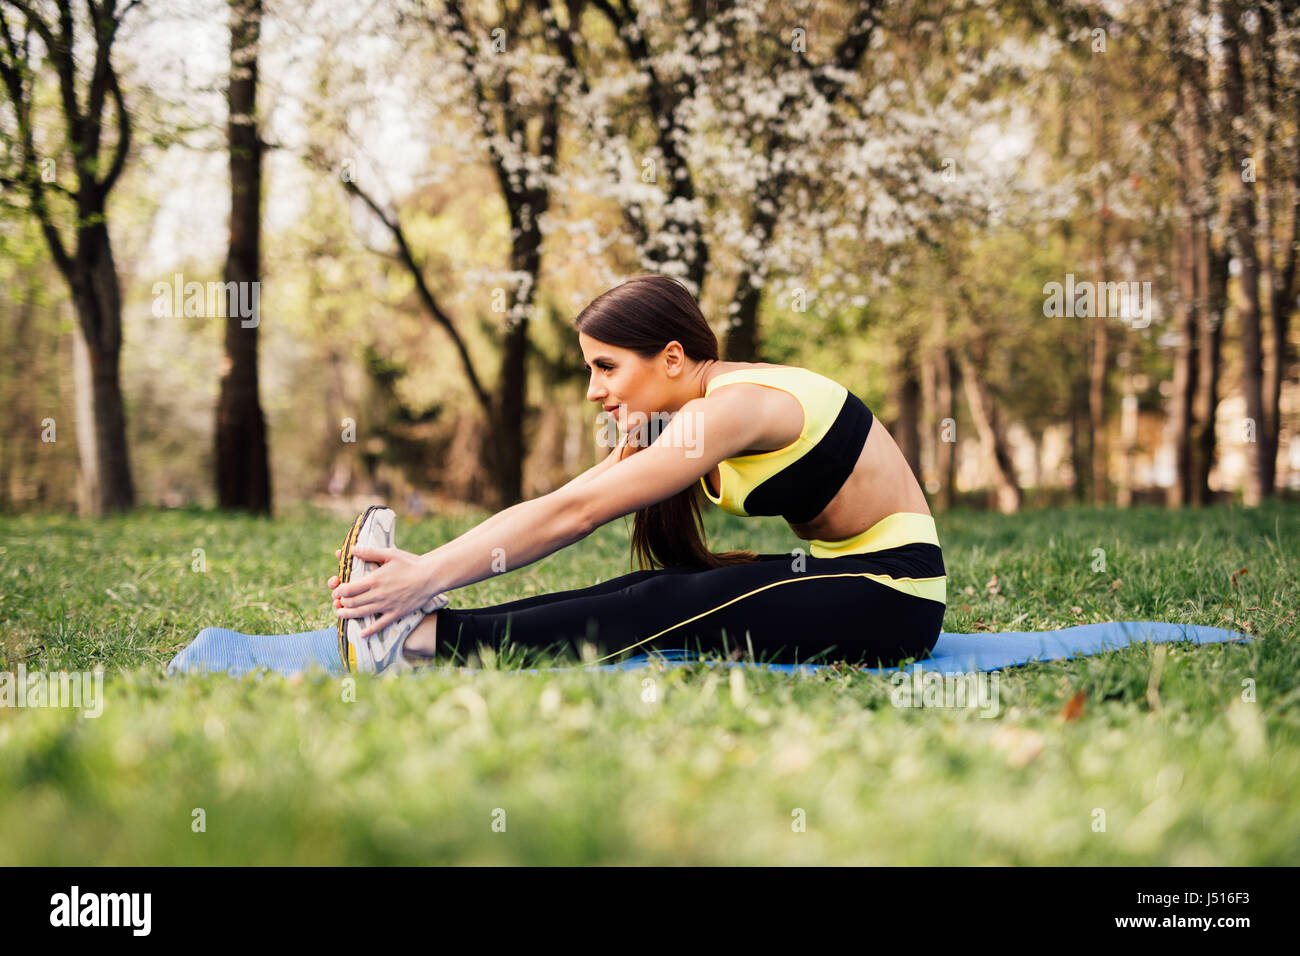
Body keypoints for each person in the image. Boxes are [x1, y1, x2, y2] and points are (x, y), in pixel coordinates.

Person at [327, 274, 947, 674]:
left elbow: (579, 515)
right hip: (844, 576)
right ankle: (423, 626)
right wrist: (427, 568)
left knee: (664, 602)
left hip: (895, 594)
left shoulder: (733, 408)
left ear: (672, 358)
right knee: (647, 586)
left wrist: (426, 574)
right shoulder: (679, 421)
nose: (595, 391)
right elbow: (564, 504)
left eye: (607, 367)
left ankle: (419, 642)